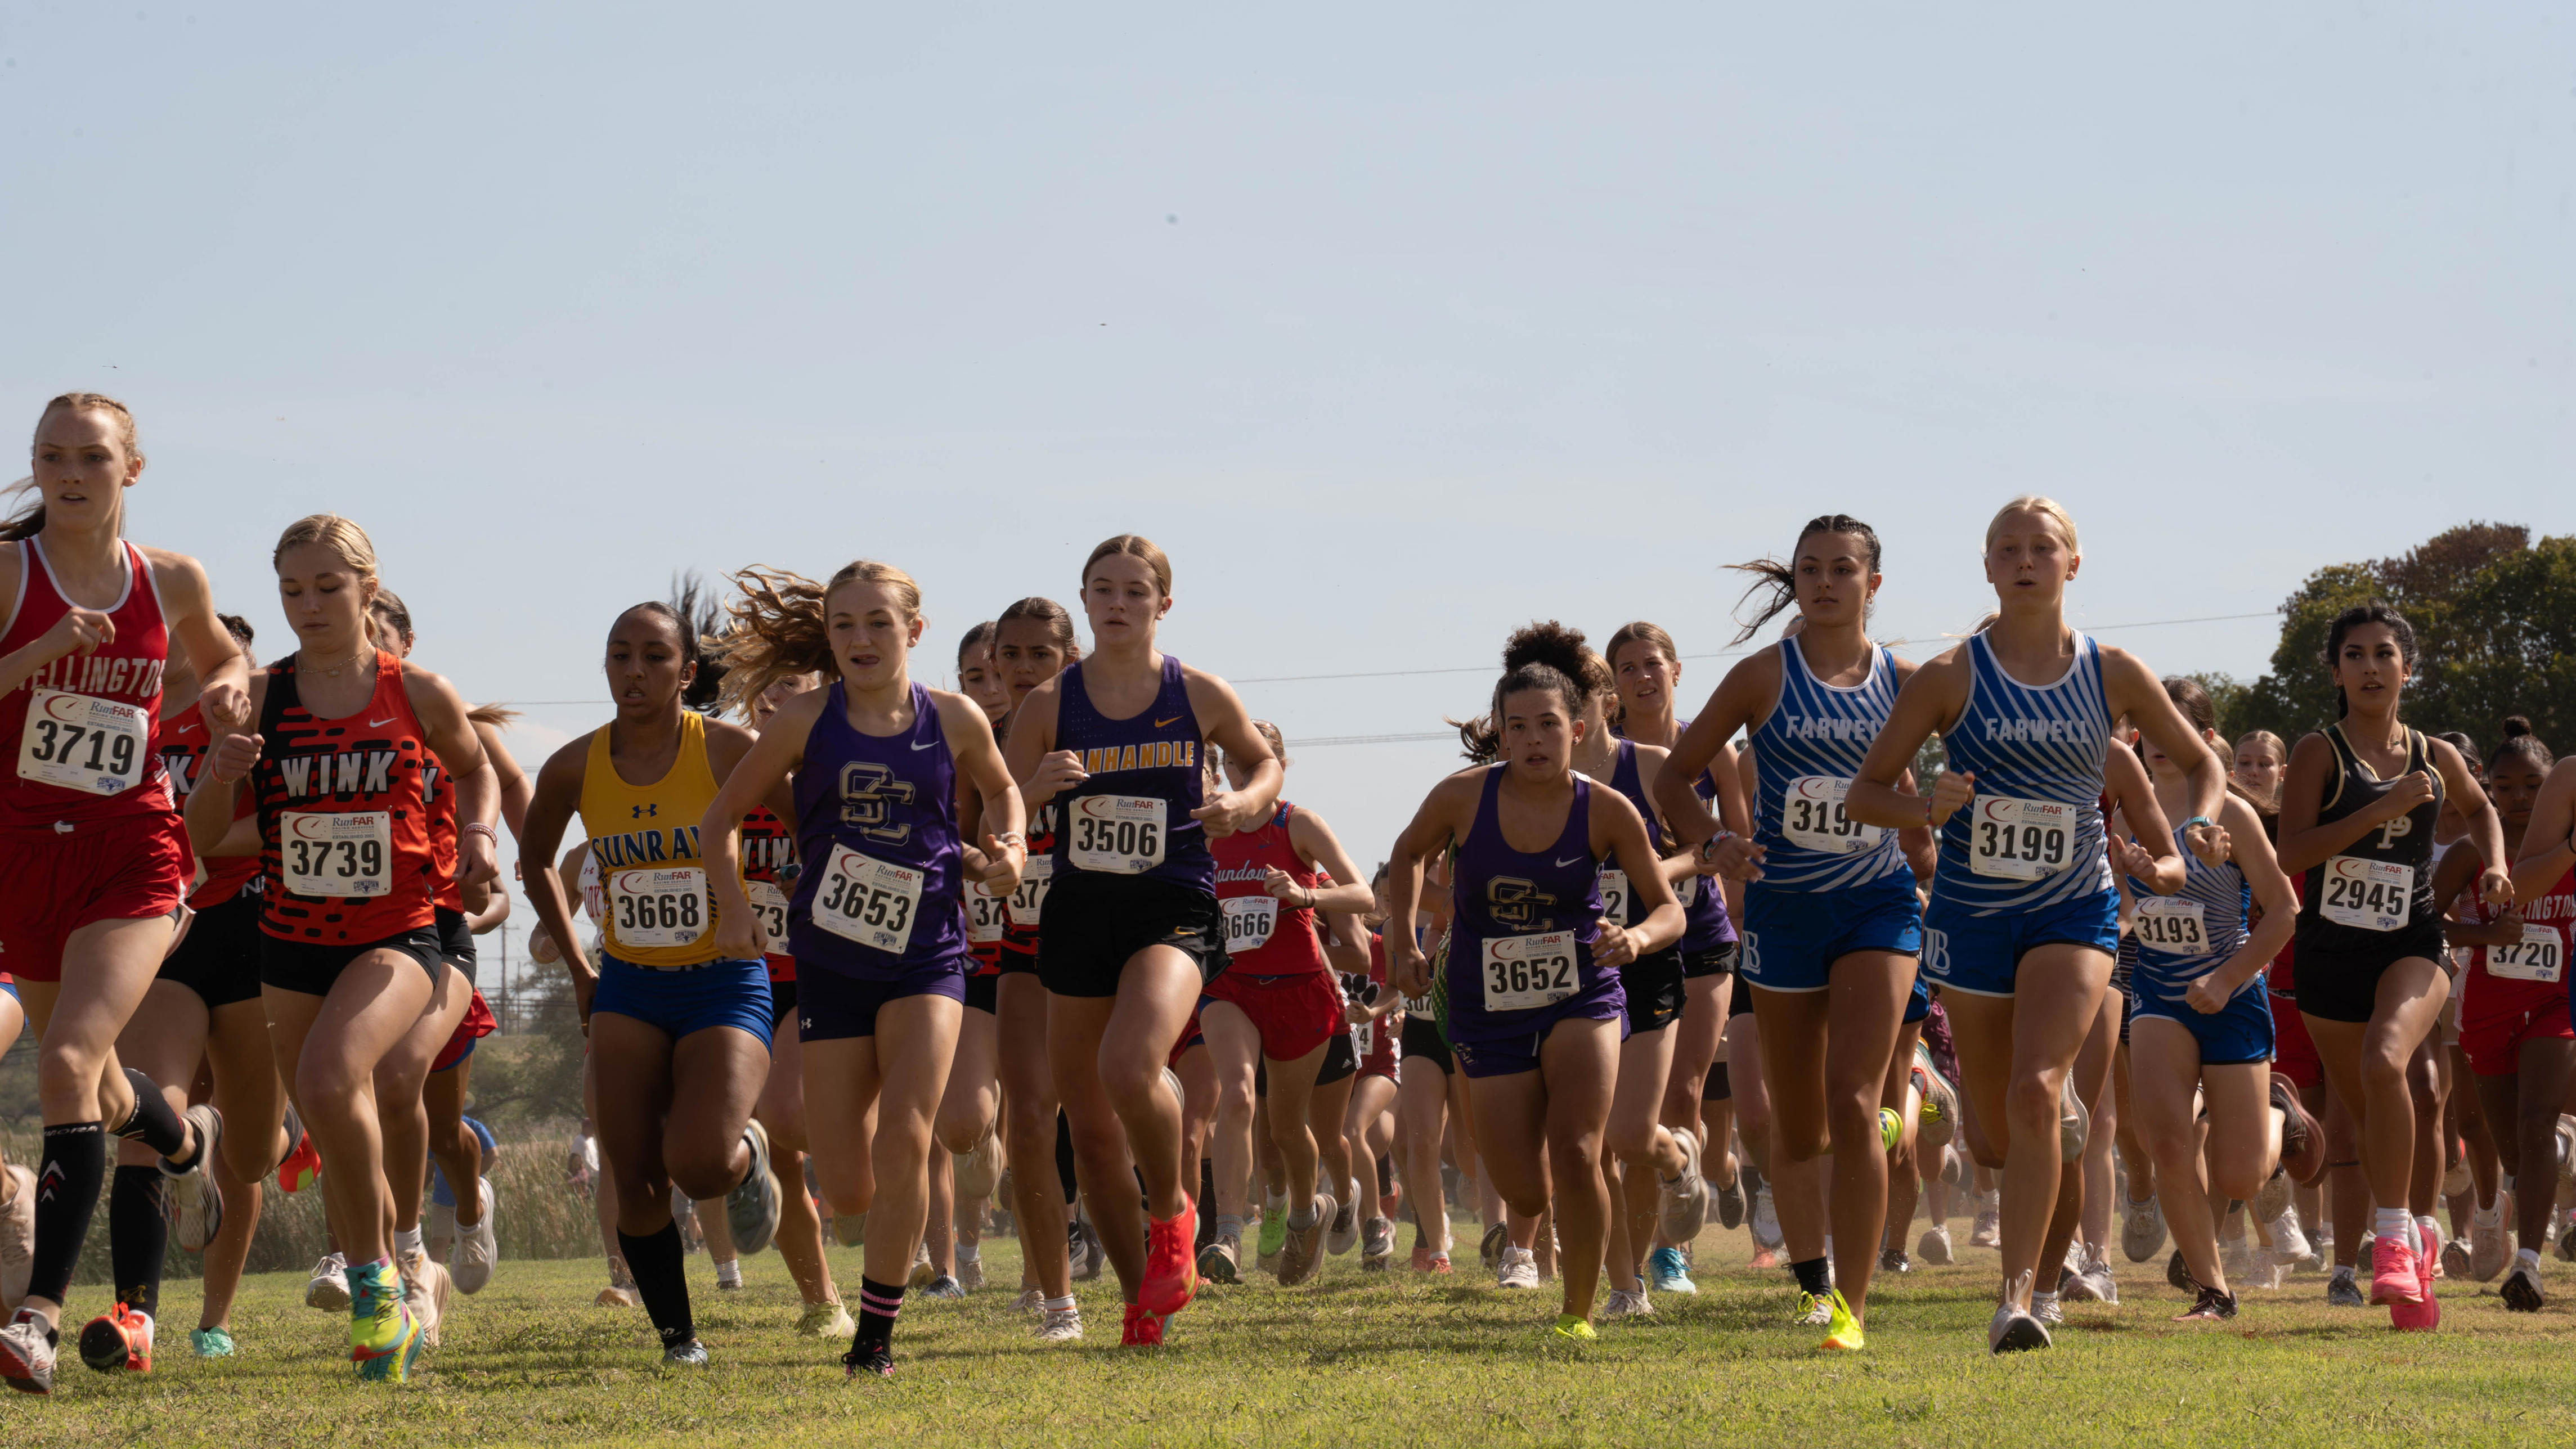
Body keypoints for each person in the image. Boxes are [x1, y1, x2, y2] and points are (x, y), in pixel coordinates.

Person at [1844, 496, 2226, 1354]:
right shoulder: (1949, 677)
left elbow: (2202, 762)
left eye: (2042, 547)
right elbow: (1866, 794)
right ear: (1986, 567)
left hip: (2073, 908)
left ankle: (2019, 1297)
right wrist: (1924, 803)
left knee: (2036, 1092)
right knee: (1992, 1136)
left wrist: (2196, 825)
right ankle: (2022, 1164)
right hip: (1971, 918)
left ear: (2072, 564)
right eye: (2007, 549)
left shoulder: (2112, 671)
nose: (2025, 560)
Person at [181, 514, 496, 1383]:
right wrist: (222, 767)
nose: (309, 604)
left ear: (368, 586)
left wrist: (477, 834)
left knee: (330, 1076)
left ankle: (378, 1289)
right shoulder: (261, 696)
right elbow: (201, 839)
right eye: (292, 590)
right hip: (289, 942)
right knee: (325, 1109)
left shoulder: (415, 691)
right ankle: (389, 1276)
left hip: (398, 935)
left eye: (328, 586)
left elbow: (476, 768)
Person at [700, 561, 1025, 1379]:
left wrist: (1010, 847)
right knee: (848, 1188)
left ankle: (874, 1335)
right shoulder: (805, 719)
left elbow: (1004, 791)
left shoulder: (951, 719)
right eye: (843, 625)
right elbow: (719, 820)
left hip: (928, 953)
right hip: (833, 959)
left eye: (878, 623)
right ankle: (888, 1206)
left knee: (910, 1131)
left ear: (913, 631)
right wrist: (733, 906)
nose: (860, 640)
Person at [0, 394, 249, 1394]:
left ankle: (38, 1320)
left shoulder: (173, 576)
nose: (69, 472)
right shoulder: (10, 572)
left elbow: (223, 651)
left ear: (130, 470)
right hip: (22, 855)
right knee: (95, 1089)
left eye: (91, 457)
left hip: (133, 848)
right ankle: (185, 1139)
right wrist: (37, 657)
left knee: (63, 1058)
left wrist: (228, 681)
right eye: (51, 455)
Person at [1657, 514, 1936, 1351]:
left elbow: (1915, 790)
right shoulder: (1760, 677)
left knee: (1852, 1104)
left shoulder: (1905, 681)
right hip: (1782, 913)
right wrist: (1714, 845)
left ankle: (1849, 1307)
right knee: (1794, 1125)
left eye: (1841, 569)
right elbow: (1676, 776)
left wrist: (1927, 838)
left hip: (1875, 904)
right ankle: (1812, 1274)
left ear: (1872, 585)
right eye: (1809, 569)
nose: (1823, 582)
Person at [1000, 537, 1280, 1347]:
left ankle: (1173, 1211)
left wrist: (1242, 805)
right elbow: (1000, 814)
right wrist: (1030, 792)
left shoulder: (1194, 691)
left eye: (1133, 591)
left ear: (1164, 602)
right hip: (1081, 912)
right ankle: (1140, 1301)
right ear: (1083, 603)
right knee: (1088, 1131)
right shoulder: (1050, 703)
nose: (1117, 604)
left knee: (1128, 1065)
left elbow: (1262, 766)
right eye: (1102, 591)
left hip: (1172, 907)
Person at [1386, 622, 1686, 1340]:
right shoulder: (1462, 798)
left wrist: (1635, 937)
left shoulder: (1607, 808)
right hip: (1487, 1006)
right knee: (1524, 1182)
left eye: (1547, 725)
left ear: (1576, 728)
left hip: (1584, 994)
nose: (1532, 740)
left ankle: (1580, 1310)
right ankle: (1555, 1240)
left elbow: (1671, 909)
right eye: (1515, 727)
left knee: (1583, 1147)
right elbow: (1405, 855)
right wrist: (1401, 943)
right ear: (1500, 734)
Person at [517, 592, 789, 1366]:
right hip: (629, 985)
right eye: (620, 656)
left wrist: (786, 891)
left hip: (725, 982)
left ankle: (747, 1159)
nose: (634, 672)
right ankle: (678, 1338)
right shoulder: (576, 763)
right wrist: (577, 965)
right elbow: (536, 858)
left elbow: (808, 825)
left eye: (654, 657)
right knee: (633, 1174)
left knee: (697, 1161)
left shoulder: (729, 749)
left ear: (687, 672)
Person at [2277, 601, 2509, 1331]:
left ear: (2407, 668)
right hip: (2326, 957)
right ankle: (2417, 1241)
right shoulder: (2319, 751)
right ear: (2336, 671)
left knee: (2387, 1066)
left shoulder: (2433, 755)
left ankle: (2392, 1242)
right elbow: (2290, 855)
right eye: (2354, 655)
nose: (2369, 666)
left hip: (2410, 941)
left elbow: (2481, 809)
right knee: (2374, 1118)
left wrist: (2496, 866)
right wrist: (2376, 813)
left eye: (2383, 653)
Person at [94, 610, 304, 1368]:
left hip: (253, 931)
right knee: (145, 1121)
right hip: (166, 935)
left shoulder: (257, 708)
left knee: (248, 1159)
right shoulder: (124, 714)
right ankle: (134, 1322)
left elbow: (290, 821)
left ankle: (214, 1317)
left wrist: (199, 832)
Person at [2116, 677, 2306, 1321]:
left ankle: (2281, 1114)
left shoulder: (2232, 814)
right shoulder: (2124, 814)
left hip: (2233, 994)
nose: (2159, 744)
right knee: (2164, 1142)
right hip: (2159, 994)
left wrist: (2225, 979)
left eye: (2177, 730)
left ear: (2204, 738)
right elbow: (2123, 906)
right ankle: (2214, 1290)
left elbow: (2284, 911)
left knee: (2238, 1176)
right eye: (2148, 730)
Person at [1196, 720, 1372, 1286]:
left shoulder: (1297, 823)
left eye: (1260, 759)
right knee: (1238, 1095)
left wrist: (1306, 894)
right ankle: (1226, 1233)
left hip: (1300, 989)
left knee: (1291, 1129)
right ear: (1224, 768)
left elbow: (1364, 895)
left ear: (1279, 763)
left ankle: (1307, 1213)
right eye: (1236, 761)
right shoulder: (1206, 832)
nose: (1246, 771)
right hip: (1231, 986)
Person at [1604, 619, 1749, 1297]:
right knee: (1630, 1113)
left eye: (1651, 663)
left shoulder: (1708, 749)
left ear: (1676, 670)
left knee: (1685, 1090)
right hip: (1622, 944)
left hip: (1702, 935)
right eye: (1626, 667)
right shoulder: (1600, 756)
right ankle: (1631, 1241)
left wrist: (1681, 863)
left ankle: (1672, 1251)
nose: (1641, 677)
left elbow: (1738, 844)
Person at [985, 597, 1087, 1339]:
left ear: (1067, 661)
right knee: (1026, 1117)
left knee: (1100, 1111)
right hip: (1020, 946)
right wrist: (1024, 796)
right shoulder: (975, 743)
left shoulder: (1099, 736)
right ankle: (1049, 1288)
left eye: (1038, 656)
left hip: (1102, 948)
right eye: (1009, 655)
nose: (1021, 670)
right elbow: (966, 838)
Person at [2478, 720, 2576, 1308]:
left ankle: (2530, 1265)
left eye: (2530, 786)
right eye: (2507, 786)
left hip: (2560, 993)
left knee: (2537, 1119)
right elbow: (2514, 887)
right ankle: (2555, 1158)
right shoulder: (2475, 842)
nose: (2521, 797)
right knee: (2516, 1146)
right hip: (2492, 1002)